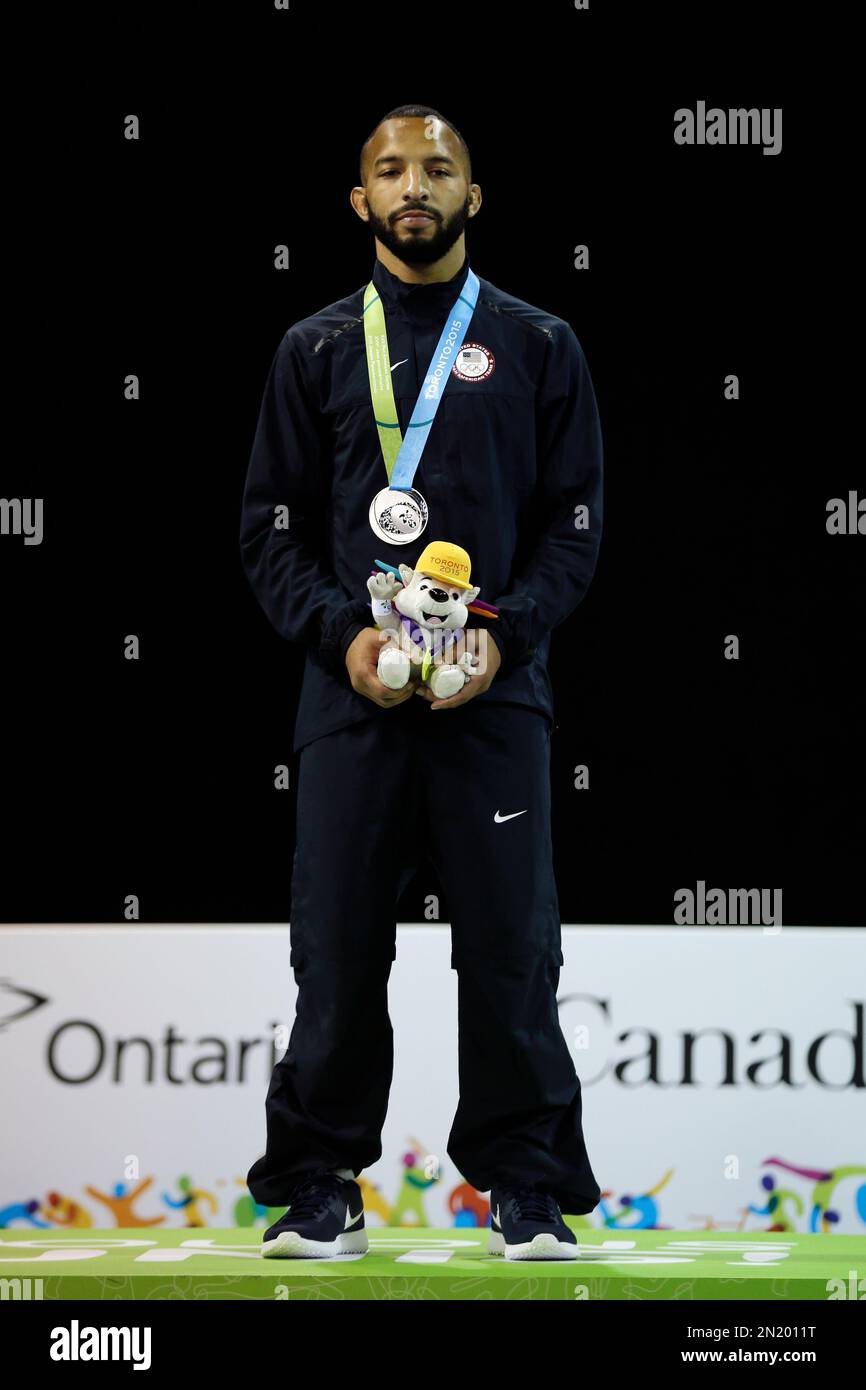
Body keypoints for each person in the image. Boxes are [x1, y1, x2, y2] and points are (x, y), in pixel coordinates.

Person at [240, 105, 604, 1261]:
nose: (414, 184)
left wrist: (508, 637)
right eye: (391, 169)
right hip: (354, 698)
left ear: (471, 196)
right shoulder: (311, 349)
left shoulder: (539, 343)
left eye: (437, 168)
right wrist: (339, 634)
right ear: (359, 202)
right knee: (336, 948)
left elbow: (575, 524)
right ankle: (319, 1186)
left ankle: (524, 1188)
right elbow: (268, 529)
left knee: (509, 946)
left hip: (492, 701)